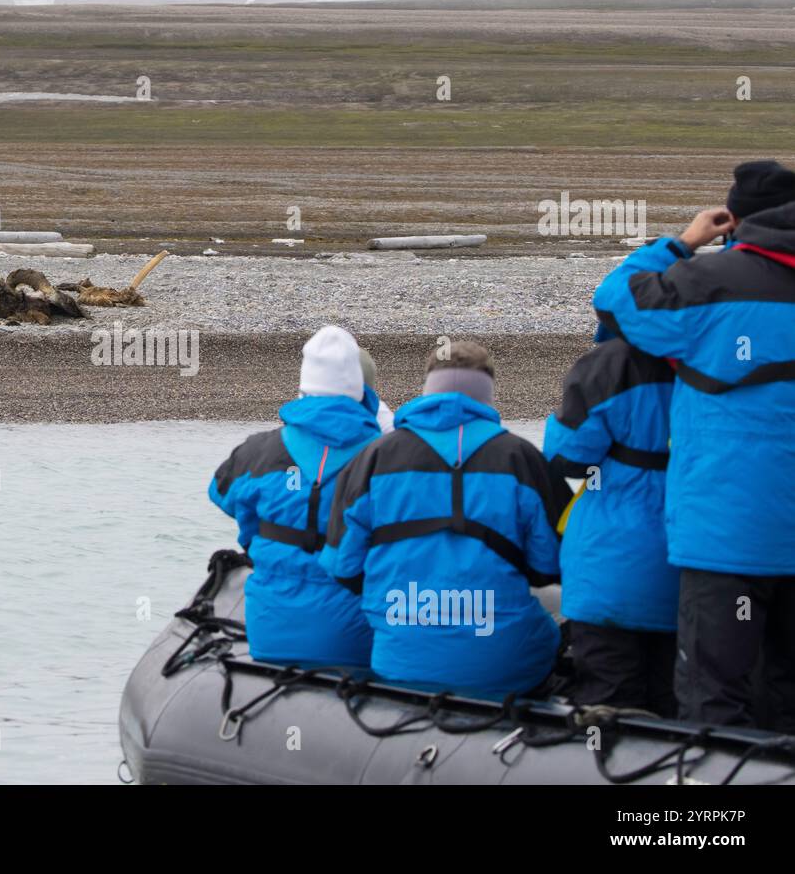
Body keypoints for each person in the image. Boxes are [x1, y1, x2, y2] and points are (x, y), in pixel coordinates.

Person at [592, 172, 795, 730]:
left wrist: (681, 243)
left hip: (727, 538)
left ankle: (711, 814)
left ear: (736, 220)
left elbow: (613, 300)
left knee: (714, 699)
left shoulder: (706, 282)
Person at [321, 342, 570, 697]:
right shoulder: (521, 458)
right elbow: (547, 568)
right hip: (502, 665)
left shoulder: (372, 458)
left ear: (427, 389)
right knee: (552, 627)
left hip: (400, 660)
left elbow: (343, 567)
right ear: (488, 393)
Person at [209, 326, 385, 668]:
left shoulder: (257, 451)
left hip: (268, 634)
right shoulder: (388, 458)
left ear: (304, 387)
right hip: (356, 640)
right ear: (359, 391)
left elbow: (220, 493)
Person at [543, 337, 677, 715]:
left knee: (609, 709)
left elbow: (564, 461)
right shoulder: (711, 352)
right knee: (681, 705)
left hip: (608, 574)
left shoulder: (608, 364)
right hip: (697, 571)